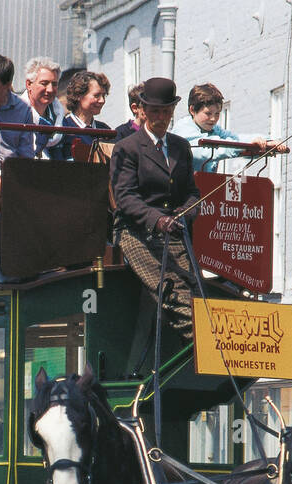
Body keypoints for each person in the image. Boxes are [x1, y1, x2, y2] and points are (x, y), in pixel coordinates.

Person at [110, 77, 202, 335]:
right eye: (155, 111)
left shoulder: (181, 147)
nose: (161, 117)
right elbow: (125, 198)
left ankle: (203, 355)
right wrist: (157, 220)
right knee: (173, 292)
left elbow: (192, 192)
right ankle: (201, 351)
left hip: (174, 231)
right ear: (143, 110)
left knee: (197, 295)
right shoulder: (127, 149)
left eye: (166, 111)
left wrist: (187, 213)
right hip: (135, 232)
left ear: (173, 111)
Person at [172, 82, 288, 173]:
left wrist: (267, 141)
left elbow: (235, 138)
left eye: (217, 113)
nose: (213, 119)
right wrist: (245, 146)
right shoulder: (183, 130)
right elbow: (208, 150)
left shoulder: (213, 130)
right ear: (192, 110)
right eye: (208, 113)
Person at [19, 56, 66, 160]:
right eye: (44, 83)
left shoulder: (62, 121)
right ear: (29, 84)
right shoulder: (15, 117)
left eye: (54, 84)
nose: (50, 89)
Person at [61, 70, 111, 162]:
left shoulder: (105, 131)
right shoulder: (63, 128)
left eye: (104, 95)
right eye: (97, 95)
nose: (102, 100)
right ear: (78, 95)